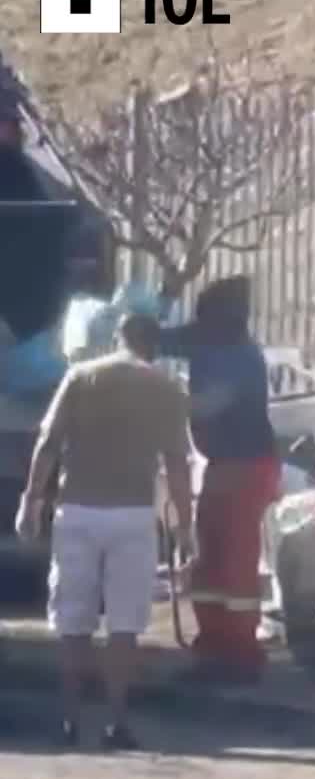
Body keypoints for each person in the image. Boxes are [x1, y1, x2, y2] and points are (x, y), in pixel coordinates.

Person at [16, 314, 194, 748]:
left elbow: (48, 444)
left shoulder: (81, 376)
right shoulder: (164, 388)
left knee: (72, 621)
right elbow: (176, 465)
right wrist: (184, 526)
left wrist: (31, 501)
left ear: (118, 338)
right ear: (153, 346)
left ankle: (71, 720)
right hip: (132, 515)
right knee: (124, 626)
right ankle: (117, 720)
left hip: (76, 510)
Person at [157, 275, 281, 684]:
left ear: (225, 320)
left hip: (248, 464)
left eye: (205, 318)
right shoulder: (208, 340)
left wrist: (158, 399)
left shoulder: (242, 357)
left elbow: (210, 406)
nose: (198, 325)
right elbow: (159, 340)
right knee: (209, 553)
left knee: (237, 557)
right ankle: (213, 641)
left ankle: (242, 651)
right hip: (221, 463)